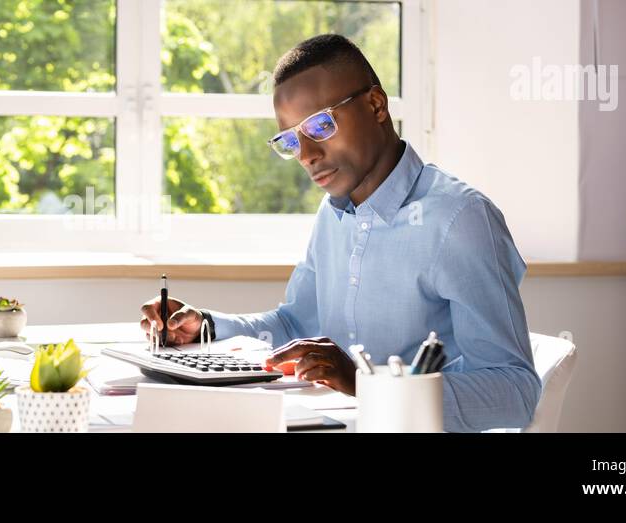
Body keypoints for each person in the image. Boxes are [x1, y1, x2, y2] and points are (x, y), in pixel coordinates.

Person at [137, 34, 541, 432]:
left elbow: (515, 392)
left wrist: (368, 384)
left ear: (376, 105)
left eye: (320, 125)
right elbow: (296, 324)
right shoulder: (334, 213)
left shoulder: (460, 219)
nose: (307, 155)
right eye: (290, 141)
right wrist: (205, 326)